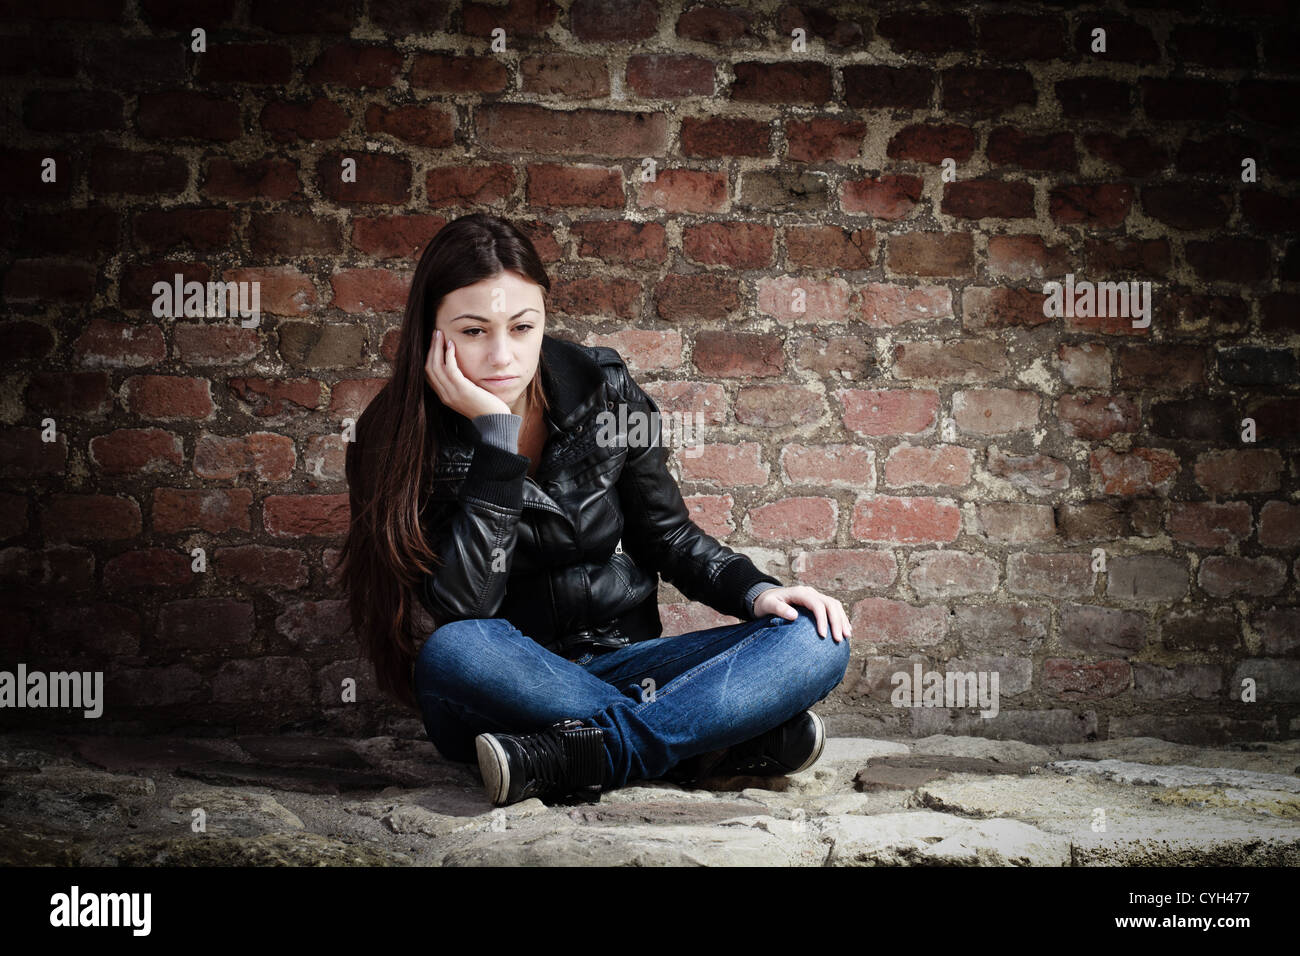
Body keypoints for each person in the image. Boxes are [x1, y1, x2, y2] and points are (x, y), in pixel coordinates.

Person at [338, 213, 852, 808]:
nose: (502, 355)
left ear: (544, 319)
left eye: (522, 327)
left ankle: (583, 753)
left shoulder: (604, 388)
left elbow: (666, 534)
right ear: (432, 329)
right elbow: (465, 610)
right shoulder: (390, 437)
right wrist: (496, 442)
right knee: (454, 649)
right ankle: (704, 740)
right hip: (501, 684)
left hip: (626, 662)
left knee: (817, 637)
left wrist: (756, 592)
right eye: (474, 331)